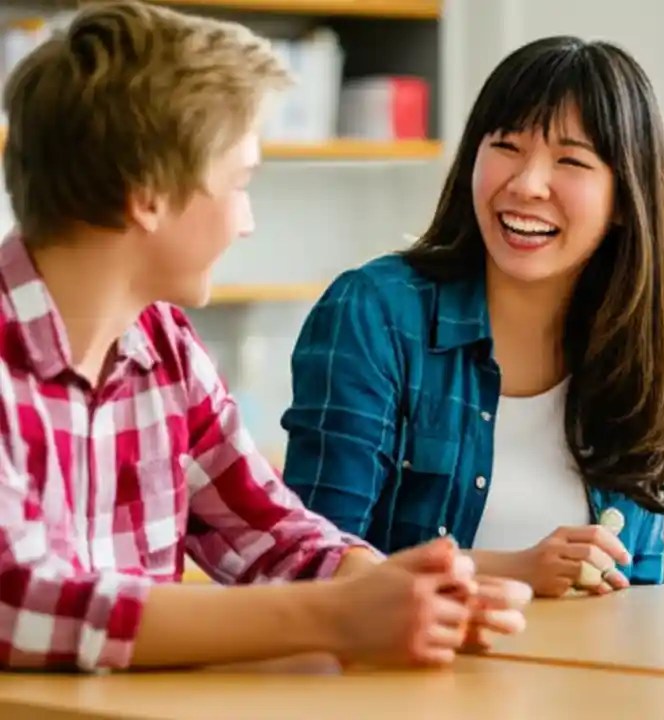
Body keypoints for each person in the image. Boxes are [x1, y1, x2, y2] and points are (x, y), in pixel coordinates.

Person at [0, 0, 529, 672]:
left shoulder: (164, 348)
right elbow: (19, 601)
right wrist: (339, 616)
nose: (246, 220)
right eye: (240, 181)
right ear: (148, 195)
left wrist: (407, 593)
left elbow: (273, 533)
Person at [281, 35, 664, 598]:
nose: (526, 184)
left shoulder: (636, 357)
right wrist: (515, 569)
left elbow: (641, 598)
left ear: (625, 199)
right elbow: (312, 563)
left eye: (570, 160)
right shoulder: (375, 312)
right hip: (398, 680)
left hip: (589, 683)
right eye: (506, 145)